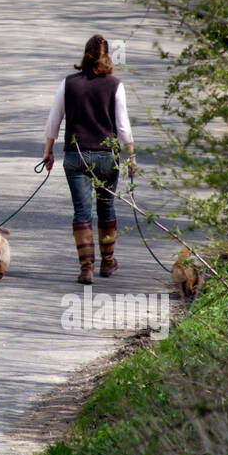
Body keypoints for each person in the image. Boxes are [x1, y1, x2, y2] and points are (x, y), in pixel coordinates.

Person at [41, 35, 136, 285]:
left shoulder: (68, 84)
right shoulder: (115, 85)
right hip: (107, 157)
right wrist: (132, 155)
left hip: (76, 155)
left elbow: (54, 120)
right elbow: (123, 126)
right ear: (108, 56)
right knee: (106, 208)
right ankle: (107, 262)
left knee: (81, 211)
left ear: (85, 54)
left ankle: (87, 269)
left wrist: (48, 151)